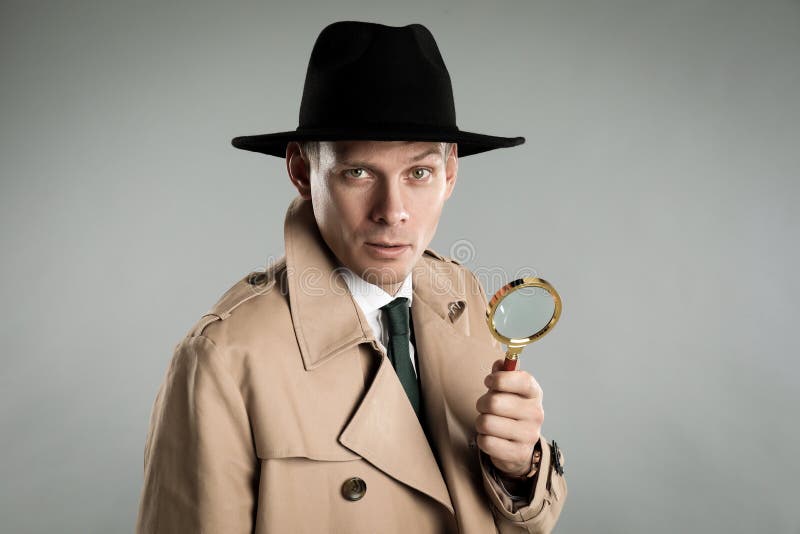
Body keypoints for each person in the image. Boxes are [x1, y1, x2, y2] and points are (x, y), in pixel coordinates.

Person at [135, 20, 567, 533]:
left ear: (450, 172)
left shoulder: (466, 298)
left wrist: (519, 470)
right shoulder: (223, 358)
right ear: (301, 171)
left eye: (419, 173)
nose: (393, 211)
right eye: (358, 172)